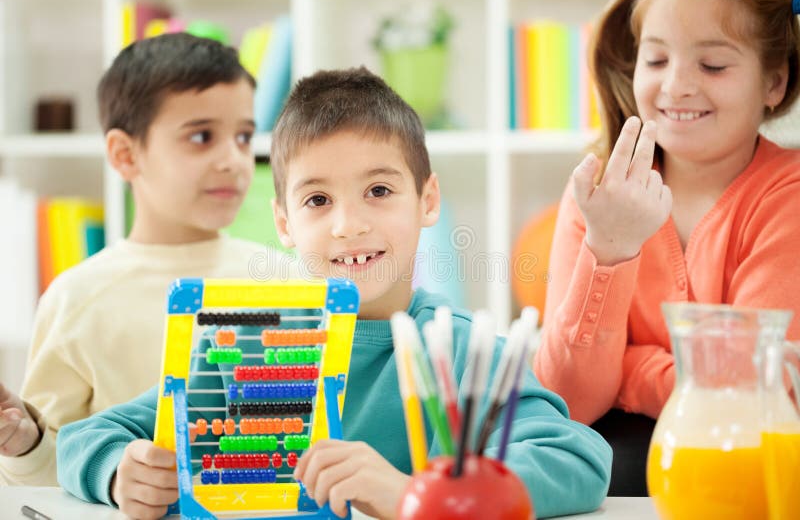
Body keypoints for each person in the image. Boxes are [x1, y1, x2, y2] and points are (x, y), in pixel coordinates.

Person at [57, 67, 612, 520]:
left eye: (379, 190)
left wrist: (414, 497)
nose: (349, 225)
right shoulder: (247, 344)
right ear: (284, 223)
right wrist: (120, 473)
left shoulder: (461, 351)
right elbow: (87, 437)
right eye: (318, 201)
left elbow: (577, 459)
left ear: (427, 200)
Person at [534, 0, 800, 496]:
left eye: (713, 66)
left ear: (774, 82)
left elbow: (751, 396)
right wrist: (609, 249)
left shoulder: (789, 195)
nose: (676, 86)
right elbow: (565, 397)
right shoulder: (598, 195)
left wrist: (625, 369)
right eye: (656, 60)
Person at [0, 33, 293, 485]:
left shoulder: (286, 279)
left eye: (243, 137)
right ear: (125, 154)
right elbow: (53, 473)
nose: (234, 160)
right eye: (201, 136)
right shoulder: (75, 298)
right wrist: (27, 445)